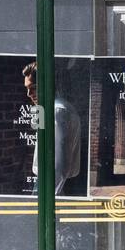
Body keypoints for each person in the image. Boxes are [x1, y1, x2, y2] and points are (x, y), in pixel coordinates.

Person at [23, 61, 82, 196]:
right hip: (52, 184)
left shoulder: (56, 112)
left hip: (53, 187)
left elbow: (58, 166)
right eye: (27, 88)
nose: (28, 94)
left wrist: (45, 199)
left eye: (33, 87)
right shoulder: (54, 109)